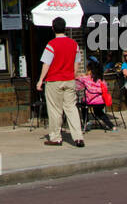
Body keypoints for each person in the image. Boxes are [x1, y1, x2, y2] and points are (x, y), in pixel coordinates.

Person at [36, 16, 84, 147]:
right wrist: (73, 75)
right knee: (71, 108)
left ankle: (56, 137)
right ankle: (78, 138)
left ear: (53, 28)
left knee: (55, 110)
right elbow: (77, 63)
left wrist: (40, 80)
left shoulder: (51, 44)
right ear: (65, 28)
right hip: (69, 79)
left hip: (54, 80)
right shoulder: (74, 44)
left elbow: (46, 64)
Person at [76, 65, 118, 132]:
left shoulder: (86, 78)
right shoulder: (101, 79)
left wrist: (81, 76)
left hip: (90, 101)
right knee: (99, 112)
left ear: (90, 71)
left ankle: (86, 122)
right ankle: (112, 126)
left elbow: (78, 86)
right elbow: (105, 88)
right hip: (101, 101)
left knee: (83, 106)